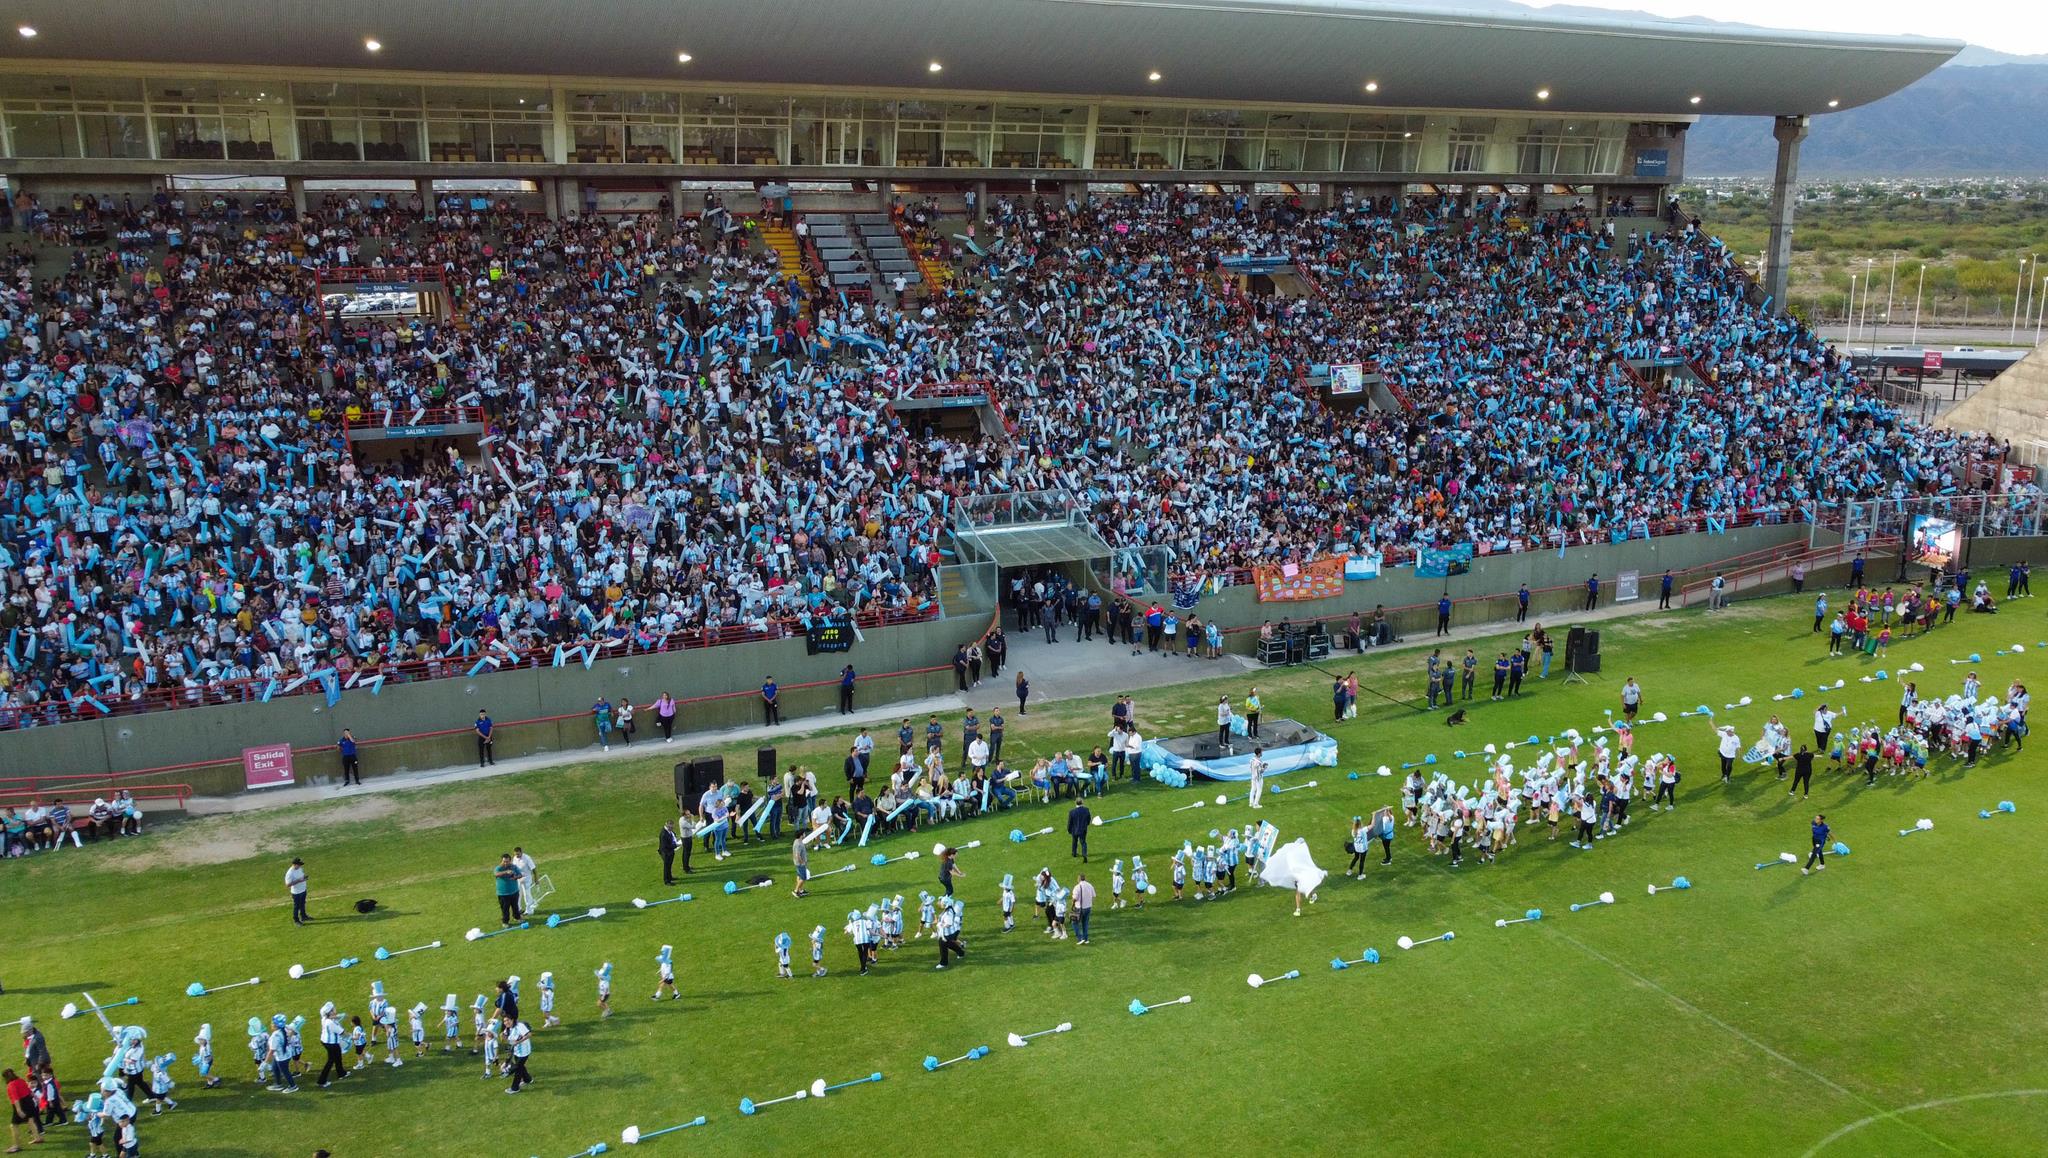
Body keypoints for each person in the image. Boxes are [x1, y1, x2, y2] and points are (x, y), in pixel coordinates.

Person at [6, 1067, 43, 1151]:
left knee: (14, 1125)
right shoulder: (21, 1080)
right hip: (29, 1101)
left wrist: (19, 1110)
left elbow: (16, 1099)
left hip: (22, 1104)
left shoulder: (11, 1085)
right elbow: (29, 1090)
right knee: (30, 1120)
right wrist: (35, 1097)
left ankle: (16, 1146)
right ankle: (37, 1138)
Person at [503, 1016, 533, 1093]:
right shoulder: (508, 1029)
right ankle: (528, 1079)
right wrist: (505, 1038)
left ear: (512, 1019)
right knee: (521, 1067)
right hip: (516, 1052)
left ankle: (515, 1088)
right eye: (505, 1021)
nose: (506, 1022)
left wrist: (518, 1042)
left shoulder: (520, 1026)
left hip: (524, 1052)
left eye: (508, 1020)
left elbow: (529, 1034)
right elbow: (507, 1038)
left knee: (518, 1070)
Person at [495, 854, 523, 926]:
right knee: (505, 909)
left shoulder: (514, 867)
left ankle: (517, 917)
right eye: (504, 861)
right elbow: (496, 874)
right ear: (501, 861)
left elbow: (520, 875)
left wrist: (515, 877)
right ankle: (505, 922)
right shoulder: (498, 868)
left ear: (510, 861)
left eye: (507, 861)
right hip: (503, 894)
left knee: (515, 906)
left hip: (514, 891)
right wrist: (506, 872)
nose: (505, 863)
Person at [1071, 874, 1096, 945]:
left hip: (1079, 908)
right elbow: (1094, 896)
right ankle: (1086, 939)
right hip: (1088, 907)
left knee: (1074, 923)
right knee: (1085, 923)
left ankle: (1080, 938)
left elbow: (1074, 898)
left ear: (1079, 879)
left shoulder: (1077, 887)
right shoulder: (1090, 885)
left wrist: (1072, 904)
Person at [285, 857, 310, 926]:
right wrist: (299, 881)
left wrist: (305, 877)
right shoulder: (290, 873)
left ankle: (304, 916)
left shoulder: (299, 868)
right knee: (297, 907)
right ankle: (296, 920)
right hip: (296, 893)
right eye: (299, 864)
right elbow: (288, 884)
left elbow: (301, 875)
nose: (300, 866)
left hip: (303, 890)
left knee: (303, 904)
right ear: (294, 864)